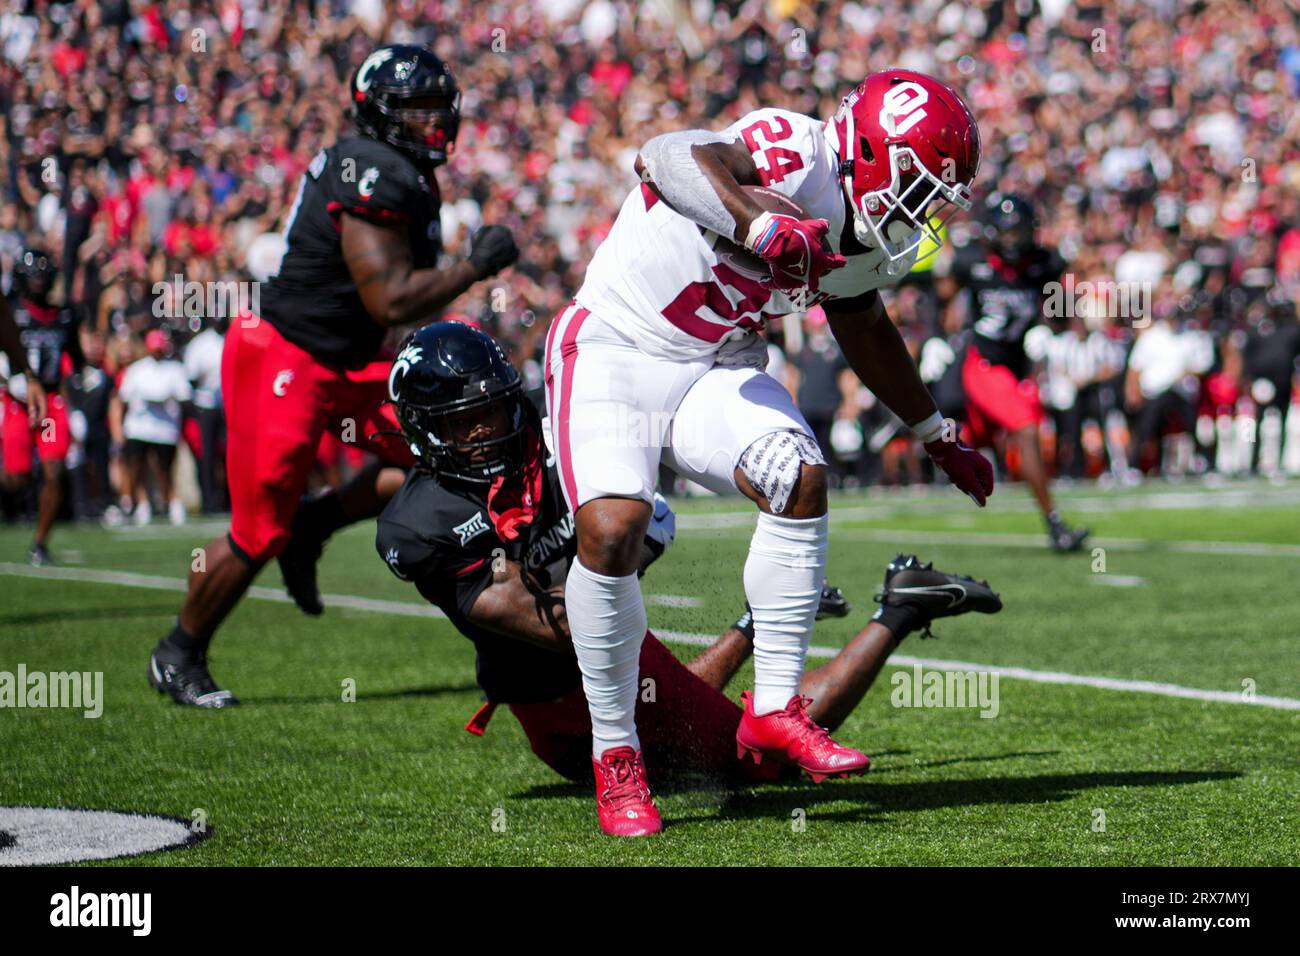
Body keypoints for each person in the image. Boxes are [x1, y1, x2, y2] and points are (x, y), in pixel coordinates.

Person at [547, 70, 993, 834]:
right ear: (870, 153)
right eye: (918, 187)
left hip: (712, 369)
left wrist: (934, 432)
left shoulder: (866, 233)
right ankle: (616, 755)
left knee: (801, 477)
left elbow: (862, 325)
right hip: (615, 351)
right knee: (614, 529)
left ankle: (776, 707)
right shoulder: (798, 152)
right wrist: (759, 224)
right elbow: (666, 155)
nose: (925, 211)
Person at [377, 322, 1000, 792]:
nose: (488, 428)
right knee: (676, 719)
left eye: (493, 409)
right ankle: (761, 626)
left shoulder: (553, 430)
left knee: (757, 764)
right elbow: (562, 629)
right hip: (553, 694)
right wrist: (622, 555)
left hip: (601, 668)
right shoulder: (419, 525)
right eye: (466, 422)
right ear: (426, 430)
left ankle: (899, 608)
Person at [147, 45, 519, 708]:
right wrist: (475, 265)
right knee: (260, 529)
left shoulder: (399, 169)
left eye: (439, 108)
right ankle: (179, 651)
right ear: (380, 114)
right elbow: (391, 298)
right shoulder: (370, 168)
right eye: (417, 110)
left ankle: (316, 526)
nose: (433, 122)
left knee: (446, 460)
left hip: (351, 358)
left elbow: (385, 311)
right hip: (287, 354)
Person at [951, 193, 1090, 550]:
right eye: (1007, 233)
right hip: (983, 365)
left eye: (1019, 232)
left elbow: (1060, 315)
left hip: (1016, 370)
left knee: (979, 439)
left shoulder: (1045, 264)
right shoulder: (973, 263)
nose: (1013, 240)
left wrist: (1059, 312)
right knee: (1026, 431)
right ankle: (1055, 524)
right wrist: (942, 338)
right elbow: (943, 299)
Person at [1, 248, 82, 566]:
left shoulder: (64, 315)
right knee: (15, 477)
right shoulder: (11, 310)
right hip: (16, 400)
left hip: (50, 401)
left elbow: (76, 359)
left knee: (53, 470)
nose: (37, 282)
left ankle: (40, 543)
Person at [114, 329, 192, 526]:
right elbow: (124, 398)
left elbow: (185, 396)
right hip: (139, 427)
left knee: (164, 469)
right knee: (137, 468)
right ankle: (142, 503)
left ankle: (169, 502)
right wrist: (120, 426)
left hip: (165, 429)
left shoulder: (174, 369)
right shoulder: (137, 369)